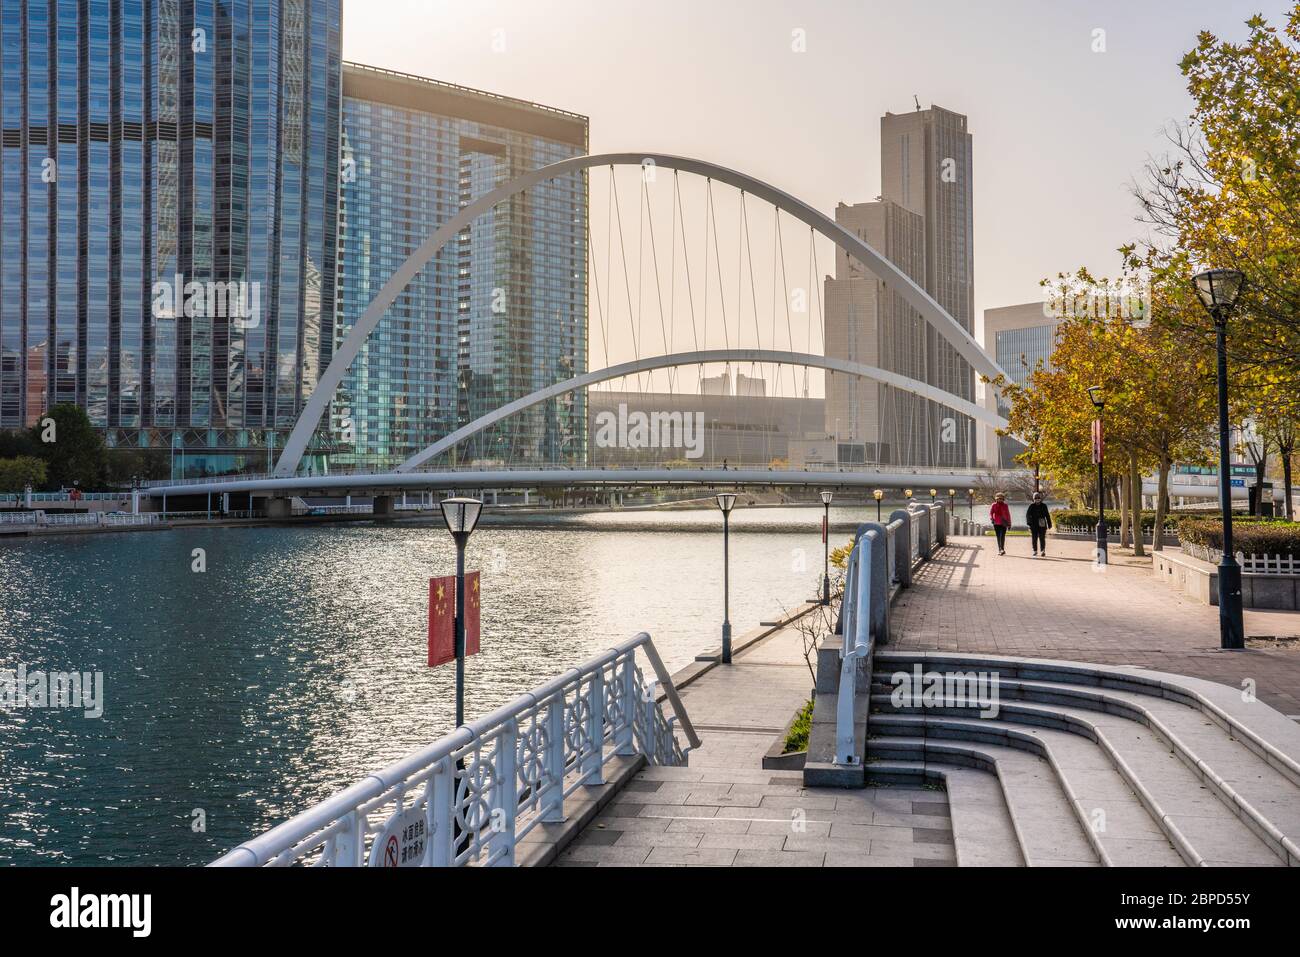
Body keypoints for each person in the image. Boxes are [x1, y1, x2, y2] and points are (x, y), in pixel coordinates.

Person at [1026, 492, 1052, 557]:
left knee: (1042, 538)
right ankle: (1035, 551)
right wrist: (1029, 523)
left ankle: (1042, 550)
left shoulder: (1044, 505)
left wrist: (1049, 524)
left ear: (1040, 499)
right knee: (1034, 538)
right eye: (1036, 498)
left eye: (1038, 498)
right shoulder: (1031, 506)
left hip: (1042, 524)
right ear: (1033, 499)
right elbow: (1028, 515)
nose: (1037, 499)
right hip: (1033, 524)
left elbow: (1047, 515)